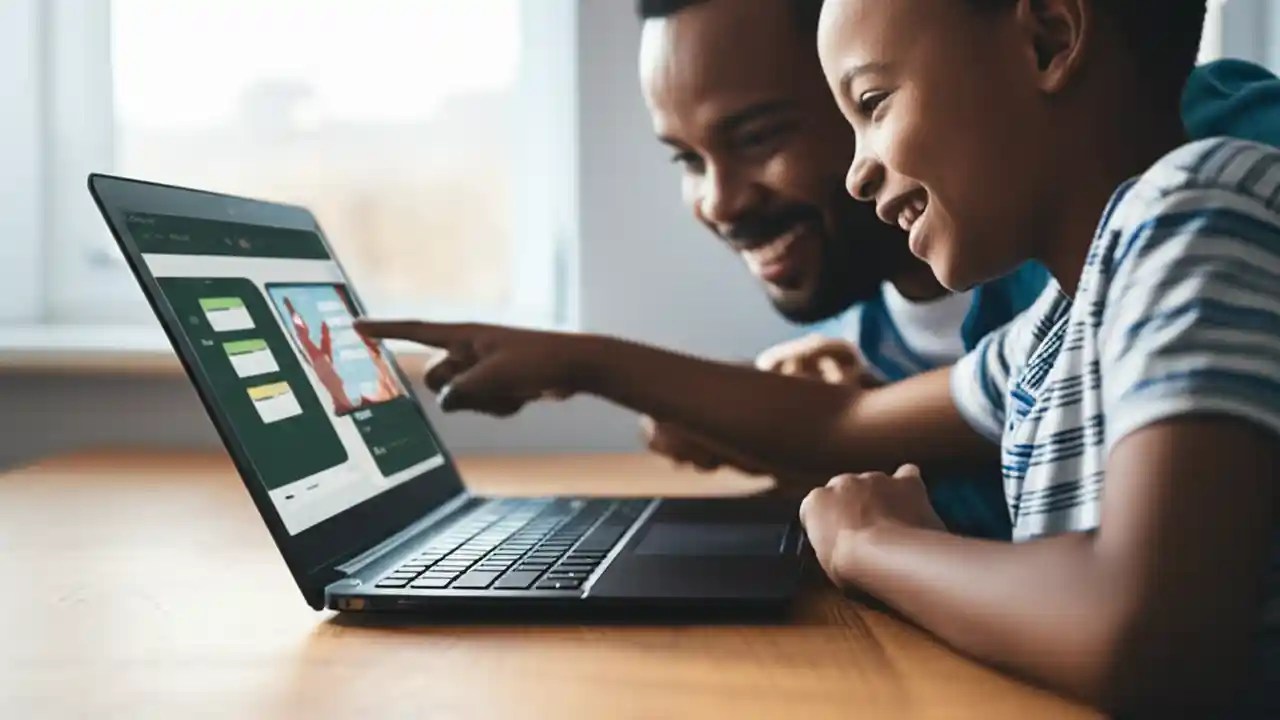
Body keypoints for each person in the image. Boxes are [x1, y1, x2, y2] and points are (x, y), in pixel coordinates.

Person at [360, 0, 1280, 711]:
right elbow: (841, 423)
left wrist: (878, 545)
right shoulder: (1054, 328)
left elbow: (1147, 635)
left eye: (872, 105)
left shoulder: (1196, 211)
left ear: (1045, 39)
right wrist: (581, 362)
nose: (856, 168)